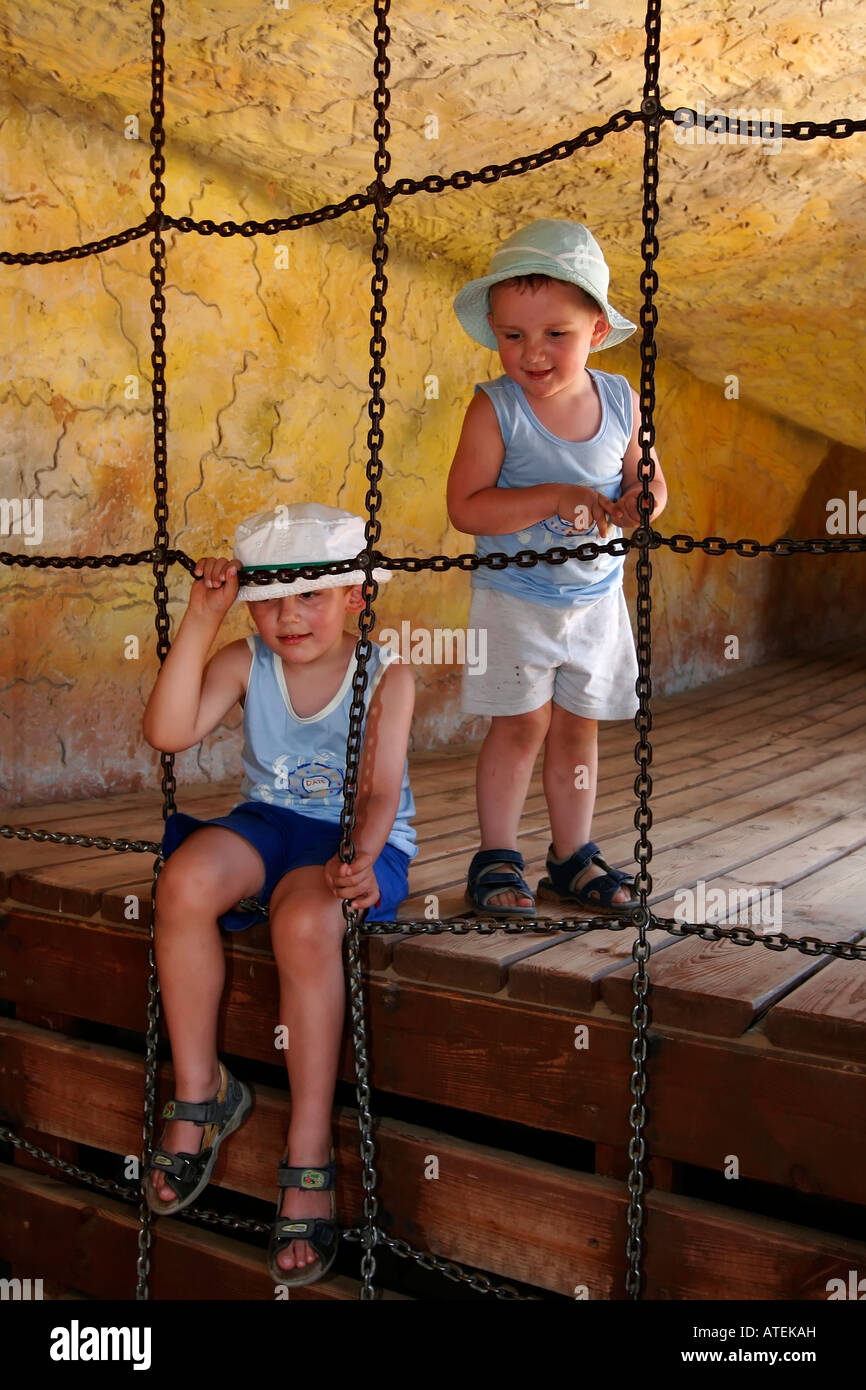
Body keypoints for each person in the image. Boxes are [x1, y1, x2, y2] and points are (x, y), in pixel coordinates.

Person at [141, 501, 417, 1287]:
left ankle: (307, 1145)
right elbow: (166, 731)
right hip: (268, 821)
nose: (286, 617)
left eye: (310, 596)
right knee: (185, 877)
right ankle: (201, 1089)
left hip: (356, 836)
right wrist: (202, 618)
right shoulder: (246, 659)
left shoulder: (386, 672)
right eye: (267, 599)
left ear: (356, 598)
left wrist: (359, 859)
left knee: (302, 923)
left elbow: (380, 789)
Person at [446, 219, 668, 918]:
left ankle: (571, 858)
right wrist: (557, 497)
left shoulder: (623, 402)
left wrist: (644, 500)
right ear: (493, 331)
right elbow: (467, 508)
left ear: (597, 331)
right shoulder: (496, 409)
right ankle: (496, 857)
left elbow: (651, 478)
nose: (531, 354)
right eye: (513, 336)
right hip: (516, 599)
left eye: (555, 335)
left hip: (597, 599)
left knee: (580, 726)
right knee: (519, 725)